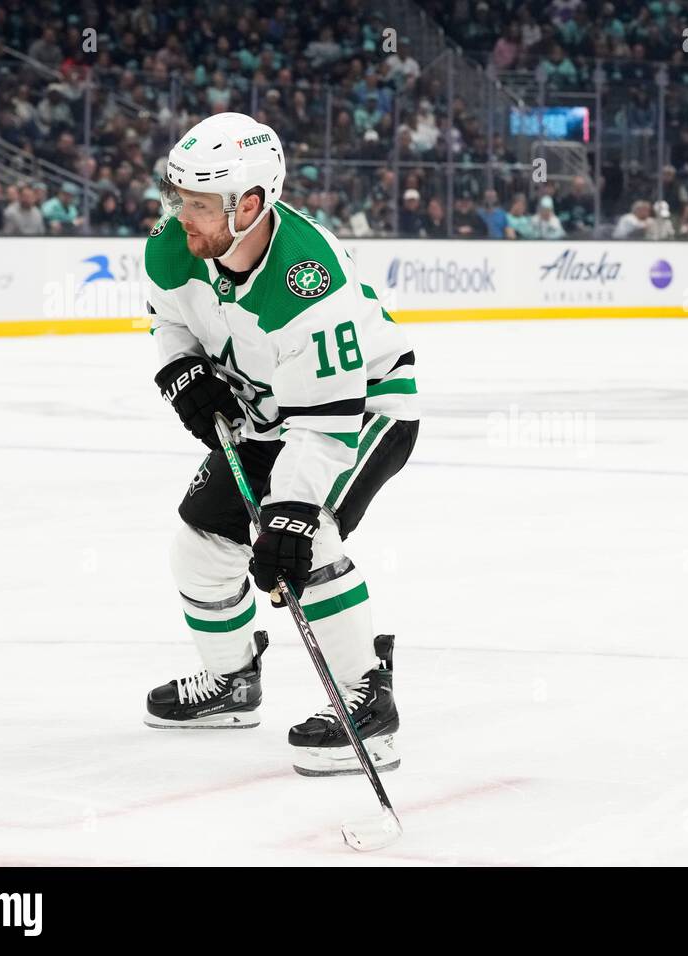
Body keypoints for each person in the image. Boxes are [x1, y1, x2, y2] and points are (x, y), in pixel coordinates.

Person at [143, 113, 419, 777]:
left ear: (251, 204)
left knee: (304, 538)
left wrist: (290, 512)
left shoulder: (308, 281)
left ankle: (369, 706)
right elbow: (170, 322)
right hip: (267, 416)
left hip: (362, 409)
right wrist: (179, 369)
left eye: (201, 205)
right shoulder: (172, 247)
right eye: (182, 199)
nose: (184, 216)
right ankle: (232, 683)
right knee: (199, 544)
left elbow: (326, 424)